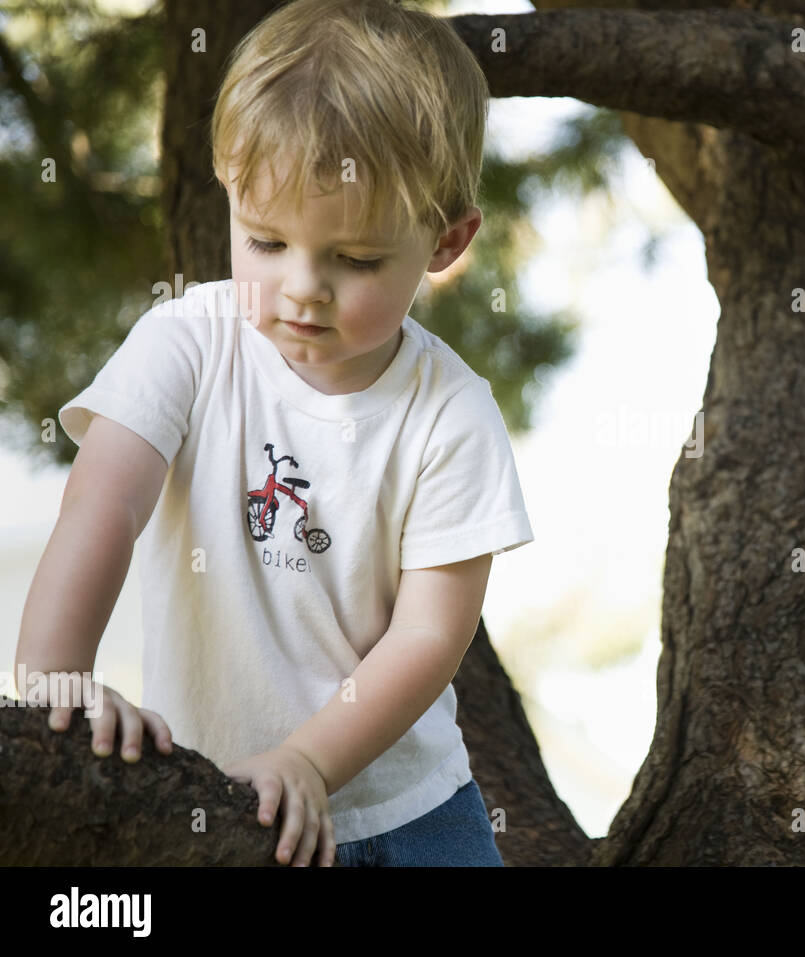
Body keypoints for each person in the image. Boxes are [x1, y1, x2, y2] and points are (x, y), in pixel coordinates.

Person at [14, 0, 532, 867]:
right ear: (227, 192)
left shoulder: (451, 411)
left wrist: (309, 760)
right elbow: (99, 510)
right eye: (264, 240)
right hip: (218, 802)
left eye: (355, 259)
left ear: (447, 241)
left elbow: (429, 635)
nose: (302, 288)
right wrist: (54, 686)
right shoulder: (184, 344)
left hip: (414, 818)